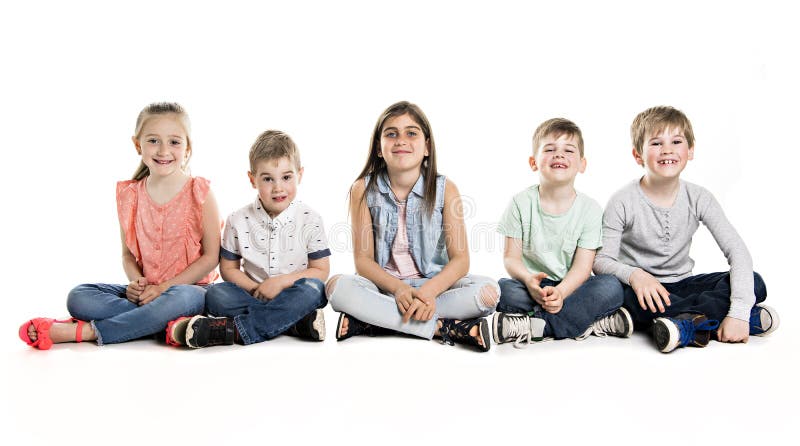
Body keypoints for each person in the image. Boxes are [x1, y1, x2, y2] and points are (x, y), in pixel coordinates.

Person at [19, 102, 220, 349]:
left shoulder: (199, 192)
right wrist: (137, 283)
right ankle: (160, 323)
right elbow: (127, 255)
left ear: (187, 147)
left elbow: (211, 258)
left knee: (177, 299)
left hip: (189, 291)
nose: (163, 150)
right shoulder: (130, 195)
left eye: (174, 142)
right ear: (138, 145)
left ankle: (88, 331)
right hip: (147, 295)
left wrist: (165, 288)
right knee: (79, 297)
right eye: (153, 140)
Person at [593, 105, 779, 353]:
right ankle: (705, 321)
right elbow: (601, 261)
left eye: (676, 141)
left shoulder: (699, 197)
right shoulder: (622, 201)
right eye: (656, 143)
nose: (667, 149)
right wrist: (635, 275)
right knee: (622, 297)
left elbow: (737, 251)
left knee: (755, 281)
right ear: (638, 155)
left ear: (690, 151)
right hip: (643, 291)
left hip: (683, 284)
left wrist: (738, 312)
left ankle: (686, 324)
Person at [326, 101, 498, 352]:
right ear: (379, 148)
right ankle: (442, 328)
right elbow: (363, 262)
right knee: (336, 288)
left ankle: (375, 322)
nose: (401, 140)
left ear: (427, 147)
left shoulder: (445, 189)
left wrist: (428, 292)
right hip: (385, 288)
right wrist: (398, 289)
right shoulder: (362, 189)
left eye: (411, 133)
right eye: (391, 133)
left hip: (435, 287)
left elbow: (460, 260)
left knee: (488, 293)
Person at [179, 130, 330, 348]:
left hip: (293, 294)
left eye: (286, 177)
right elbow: (228, 269)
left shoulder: (310, 218)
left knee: (315, 290)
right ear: (252, 179)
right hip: (251, 295)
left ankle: (235, 332)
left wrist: (278, 283)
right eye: (268, 179)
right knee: (215, 294)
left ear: (300, 174)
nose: (278, 187)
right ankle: (294, 323)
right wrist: (255, 289)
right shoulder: (237, 220)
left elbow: (320, 270)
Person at [493, 118, 631, 348]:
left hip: (575, 286)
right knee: (503, 290)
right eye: (549, 149)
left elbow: (583, 268)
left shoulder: (590, 209)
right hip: (535, 286)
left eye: (568, 150)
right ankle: (586, 321)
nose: (559, 155)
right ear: (533, 162)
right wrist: (529, 281)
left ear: (581, 164)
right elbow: (511, 258)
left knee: (611, 287)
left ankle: (536, 325)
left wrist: (562, 292)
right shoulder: (520, 203)